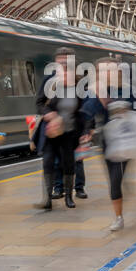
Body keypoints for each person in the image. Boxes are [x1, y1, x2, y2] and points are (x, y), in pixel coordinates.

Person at [84, 57, 136, 232]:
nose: (107, 74)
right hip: (107, 140)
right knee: (113, 178)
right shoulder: (95, 90)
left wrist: (107, 100)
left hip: (125, 139)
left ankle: (119, 215)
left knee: (116, 178)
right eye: (103, 71)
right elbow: (88, 112)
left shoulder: (127, 89)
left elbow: (134, 108)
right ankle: (119, 214)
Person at [34, 46, 92, 210]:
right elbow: (39, 103)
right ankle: (47, 199)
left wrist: (87, 131)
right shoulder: (49, 82)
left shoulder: (80, 85)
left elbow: (85, 111)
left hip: (70, 132)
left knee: (68, 163)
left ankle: (69, 196)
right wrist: (49, 114)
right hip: (51, 131)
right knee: (48, 162)